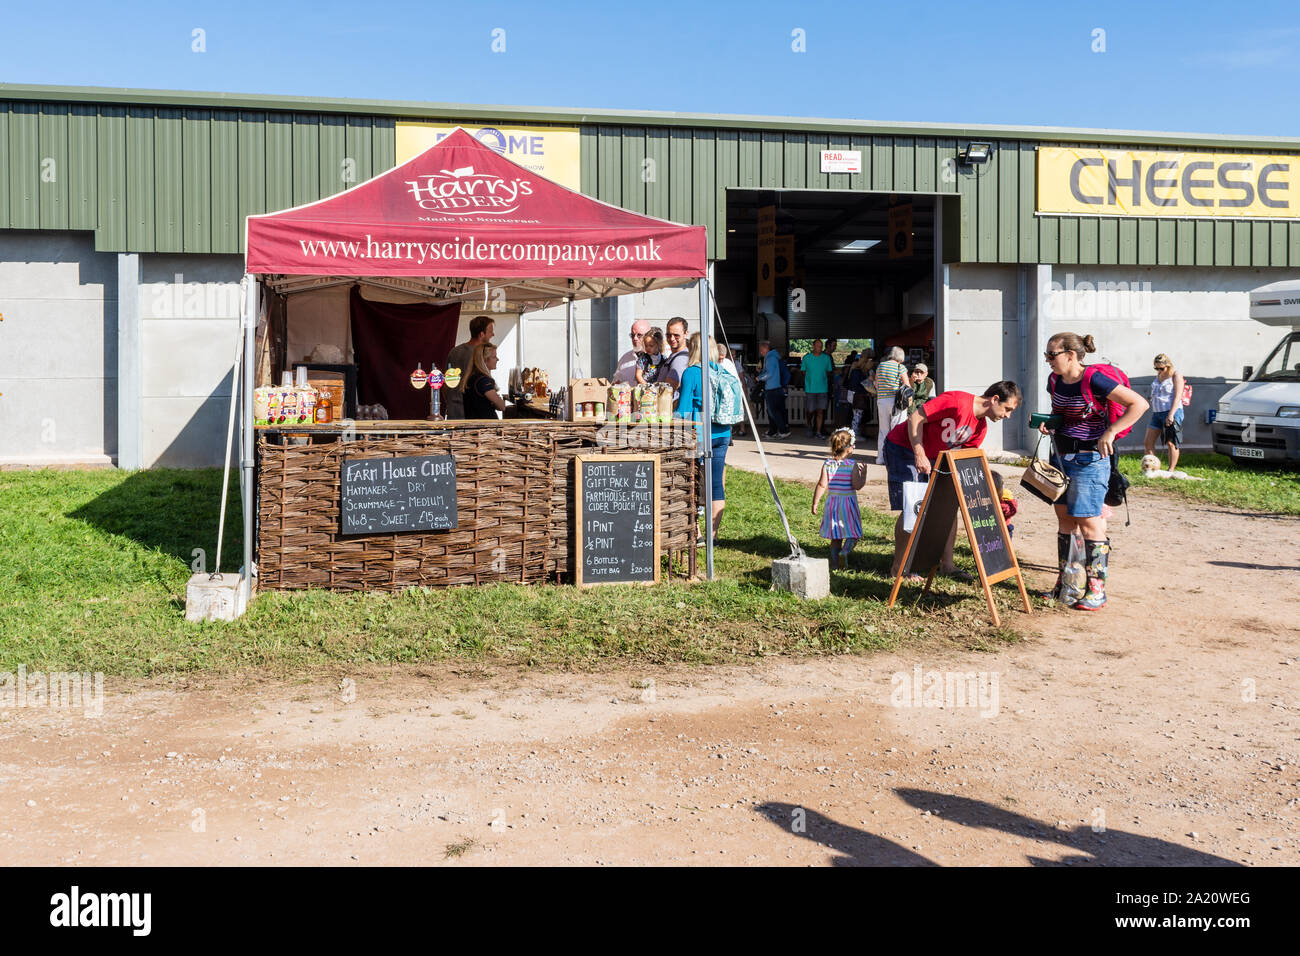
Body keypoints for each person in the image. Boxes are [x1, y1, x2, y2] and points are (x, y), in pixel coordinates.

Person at [1041, 332, 1149, 611]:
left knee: (1089, 523)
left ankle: (1096, 589)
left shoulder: (1094, 379)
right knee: (1064, 521)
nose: (1048, 360)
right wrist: (1050, 424)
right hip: (1060, 458)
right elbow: (1064, 415)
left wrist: (1111, 431)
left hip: (1090, 460)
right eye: (1047, 355)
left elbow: (1139, 404)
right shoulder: (1054, 380)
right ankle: (1067, 583)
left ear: (1071, 355)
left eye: (1051, 355)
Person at [885, 381, 1023, 580]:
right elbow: (916, 418)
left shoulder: (980, 428)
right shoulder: (957, 401)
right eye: (1007, 409)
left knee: (948, 504)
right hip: (904, 447)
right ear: (994, 399)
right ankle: (899, 570)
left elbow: (961, 458)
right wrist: (919, 453)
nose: (1007, 416)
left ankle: (947, 565)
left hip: (934, 456)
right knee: (913, 507)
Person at [677, 332, 731, 543]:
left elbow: (683, 410)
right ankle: (713, 535)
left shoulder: (691, 373)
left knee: (693, 481)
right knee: (716, 483)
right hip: (723, 433)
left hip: (698, 435)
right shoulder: (722, 370)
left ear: (694, 348)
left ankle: (697, 533)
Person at [812, 427, 868, 570]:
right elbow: (857, 485)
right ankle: (845, 551)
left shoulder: (827, 463)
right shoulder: (852, 465)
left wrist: (815, 503)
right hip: (847, 505)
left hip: (832, 504)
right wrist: (864, 474)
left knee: (836, 537)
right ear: (849, 448)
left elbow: (821, 484)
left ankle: (836, 564)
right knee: (854, 533)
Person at [444, 315, 494, 419]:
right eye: (490, 332)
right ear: (481, 334)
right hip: (473, 414)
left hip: (453, 410)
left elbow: (445, 384)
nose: (493, 334)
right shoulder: (482, 355)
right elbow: (485, 387)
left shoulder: (454, 352)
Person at [1144, 352, 1185, 473]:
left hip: (1172, 411)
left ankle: (1171, 470)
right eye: (1156, 368)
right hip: (1157, 412)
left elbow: (1178, 396)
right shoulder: (1158, 376)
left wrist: (1171, 414)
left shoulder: (1176, 376)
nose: (1159, 370)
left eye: (1161, 368)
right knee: (1148, 442)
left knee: (1171, 443)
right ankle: (1151, 469)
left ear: (1168, 365)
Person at [873, 346, 909, 464]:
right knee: (897, 429)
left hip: (882, 401)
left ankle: (881, 458)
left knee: (883, 430)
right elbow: (907, 386)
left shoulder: (880, 366)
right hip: (896, 401)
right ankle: (895, 458)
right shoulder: (900, 367)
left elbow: (876, 385)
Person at [459, 343, 506, 419]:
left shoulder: (472, 377)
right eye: (494, 357)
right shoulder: (483, 380)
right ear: (485, 360)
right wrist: (496, 400)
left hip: (474, 426)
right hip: (485, 427)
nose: (497, 359)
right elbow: (502, 406)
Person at [800, 339, 834, 437]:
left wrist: (821, 378)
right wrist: (810, 379)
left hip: (823, 389)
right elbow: (803, 371)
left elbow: (828, 371)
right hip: (810, 389)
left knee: (820, 411)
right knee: (810, 410)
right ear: (813, 346)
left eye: (821, 346)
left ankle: (818, 432)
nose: (820, 348)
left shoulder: (826, 358)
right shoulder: (807, 358)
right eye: (818, 346)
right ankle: (809, 425)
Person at [758, 340, 790, 438]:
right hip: (777, 388)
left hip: (772, 388)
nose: (760, 352)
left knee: (773, 411)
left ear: (765, 348)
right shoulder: (774, 357)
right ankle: (773, 431)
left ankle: (783, 431)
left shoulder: (770, 358)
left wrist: (759, 377)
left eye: (761, 350)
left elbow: (769, 373)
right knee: (776, 411)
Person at [660, 317, 691, 399]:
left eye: (676, 335)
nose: (672, 338)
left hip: (670, 408)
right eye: (668, 335)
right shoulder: (675, 355)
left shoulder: (680, 360)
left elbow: (668, 389)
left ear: (686, 333)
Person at [613, 319, 652, 385]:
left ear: (649, 336)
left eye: (639, 335)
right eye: (632, 335)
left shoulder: (658, 358)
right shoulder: (625, 358)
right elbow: (615, 384)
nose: (635, 338)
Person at [847, 351, 874, 439]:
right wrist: (866, 391)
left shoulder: (857, 370)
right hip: (857, 396)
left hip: (856, 395)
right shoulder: (858, 372)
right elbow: (855, 386)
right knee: (857, 416)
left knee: (857, 416)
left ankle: (855, 433)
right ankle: (854, 434)